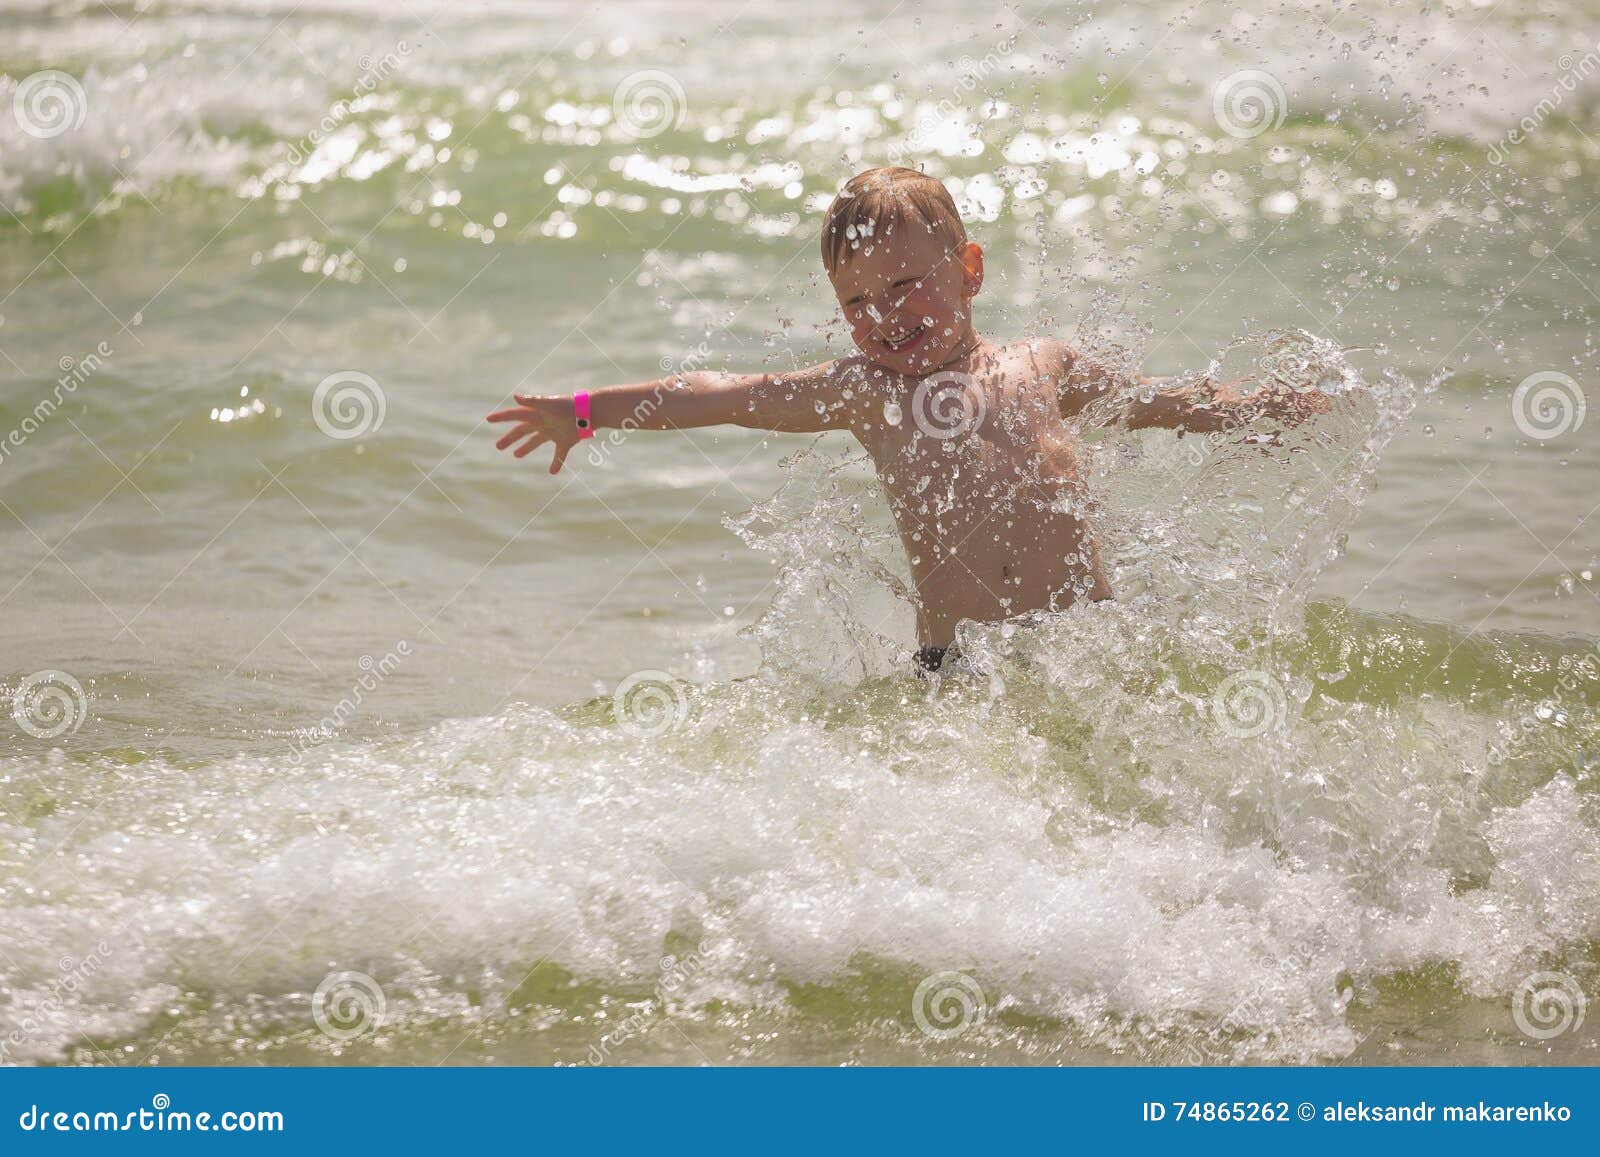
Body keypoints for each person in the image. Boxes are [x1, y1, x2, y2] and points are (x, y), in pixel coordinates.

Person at [488, 166, 1328, 671]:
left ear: (968, 270)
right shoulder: (867, 392)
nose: (883, 315)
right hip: (959, 669)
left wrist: (1259, 409)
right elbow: (727, 396)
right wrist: (590, 412)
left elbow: (1158, 402)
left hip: (1086, 650)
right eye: (856, 301)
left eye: (902, 286)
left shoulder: (1043, 366)